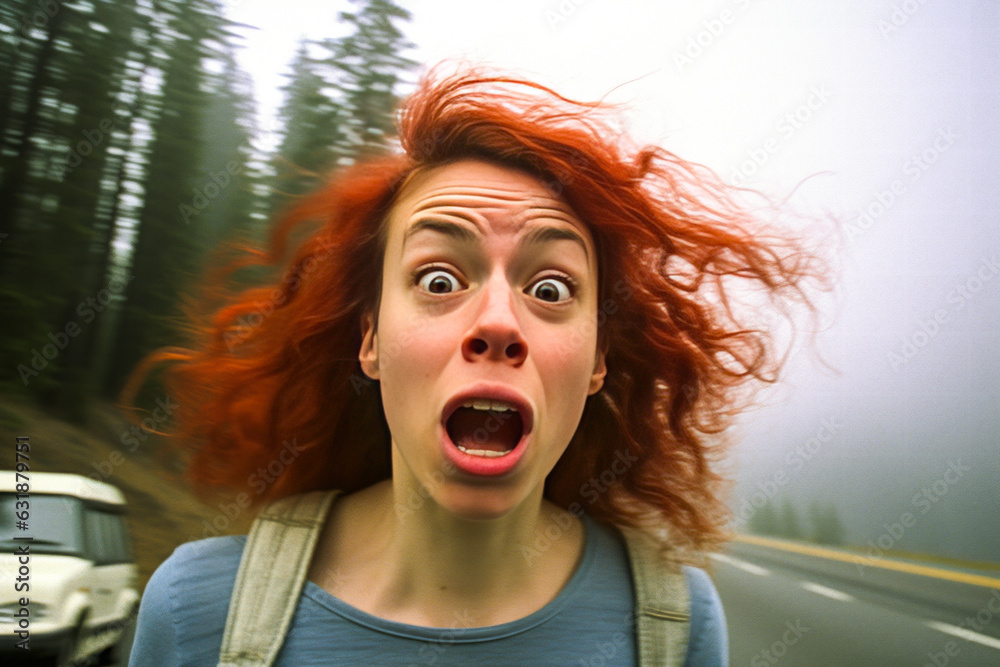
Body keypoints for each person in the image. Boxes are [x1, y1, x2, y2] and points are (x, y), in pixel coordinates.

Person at [127, 66, 822, 666]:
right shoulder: (200, 613)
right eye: (437, 279)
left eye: (549, 289)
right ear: (369, 338)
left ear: (596, 362)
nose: (497, 321)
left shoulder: (673, 624)